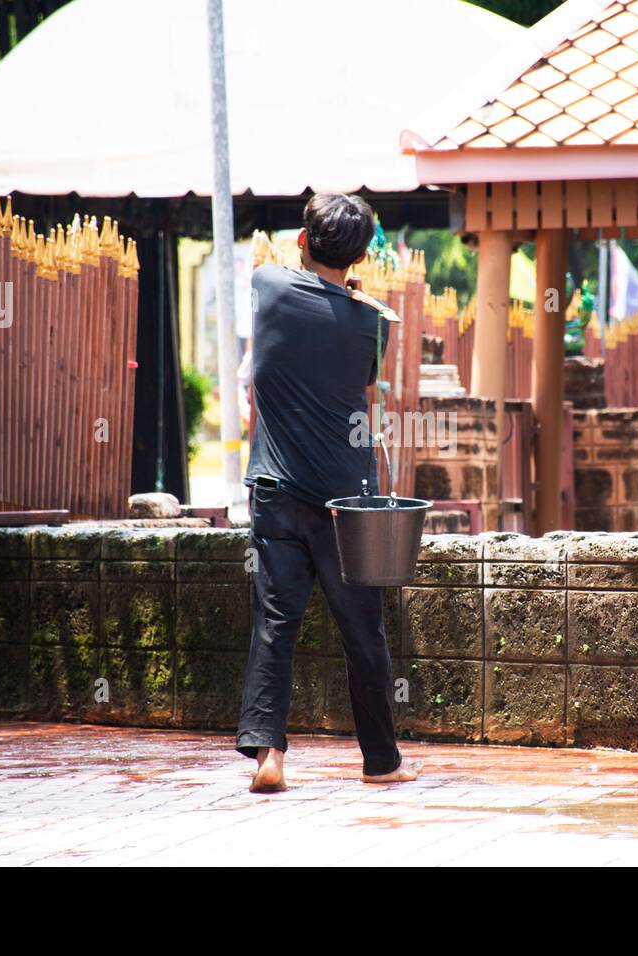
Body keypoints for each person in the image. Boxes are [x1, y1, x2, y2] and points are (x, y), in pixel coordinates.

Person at [236, 193, 420, 793]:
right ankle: (381, 761)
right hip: (346, 500)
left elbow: (283, 288)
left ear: (301, 240)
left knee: (275, 622)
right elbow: (360, 379)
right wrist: (350, 293)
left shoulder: (266, 285)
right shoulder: (373, 323)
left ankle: (270, 756)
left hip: (276, 487)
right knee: (362, 631)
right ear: (363, 254)